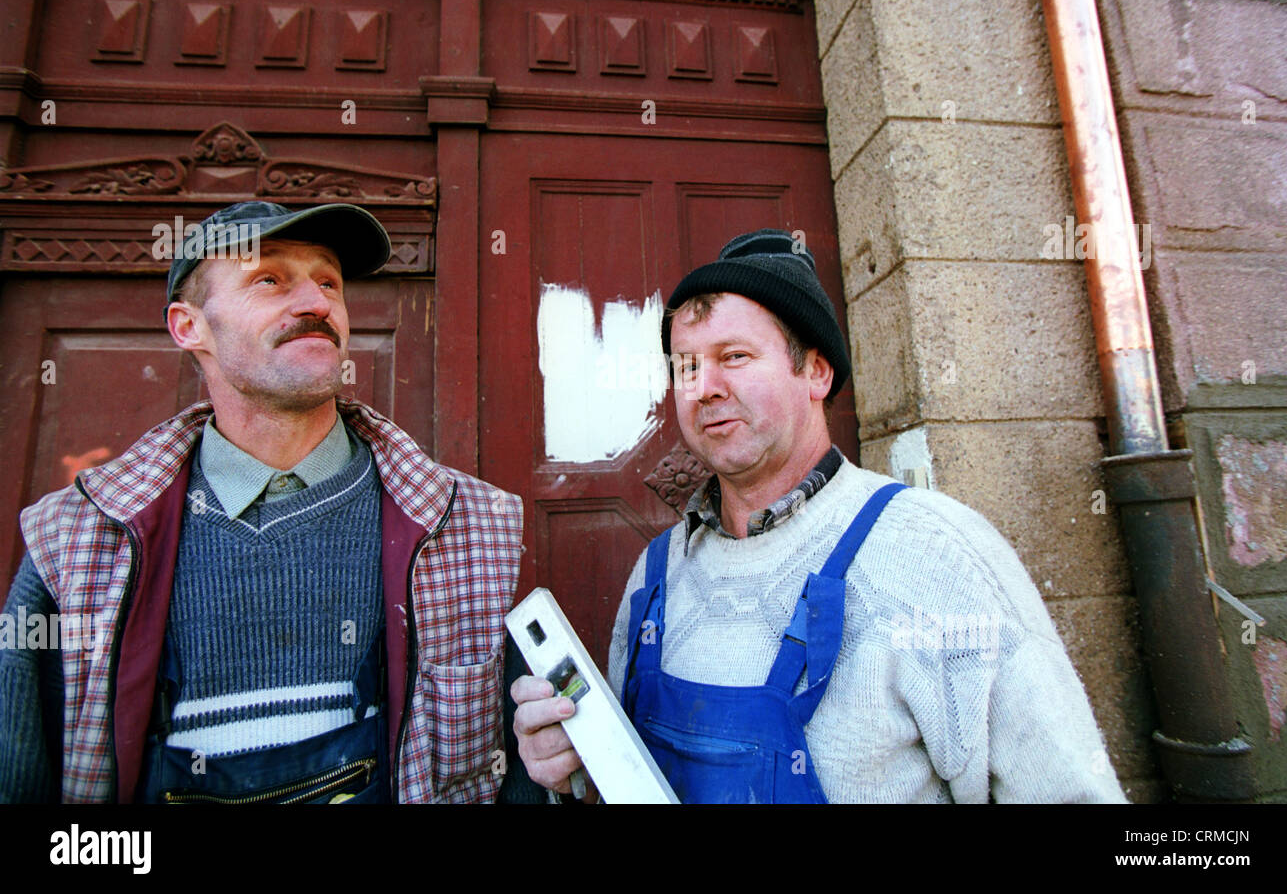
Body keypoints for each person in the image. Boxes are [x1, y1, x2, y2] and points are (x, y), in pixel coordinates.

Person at [512, 229, 1126, 803]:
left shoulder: (936, 553)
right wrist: (577, 776)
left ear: (816, 371)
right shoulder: (654, 576)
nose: (706, 387)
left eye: (736, 356)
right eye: (687, 366)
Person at [0, 201, 522, 804]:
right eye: (269, 280)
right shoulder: (75, 541)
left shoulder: (472, 529)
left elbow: (517, 777)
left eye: (328, 282)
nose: (317, 303)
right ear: (188, 327)